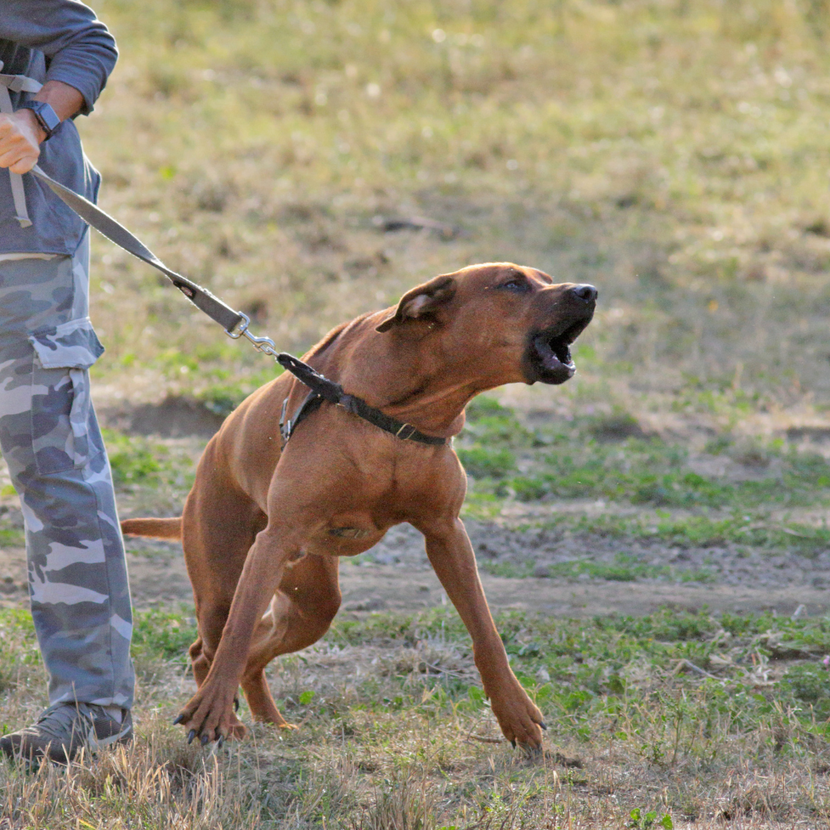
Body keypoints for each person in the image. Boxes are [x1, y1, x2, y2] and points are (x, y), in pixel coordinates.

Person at [0, 1, 134, 763]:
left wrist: (36, 121)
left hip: (19, 254)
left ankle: (91, 712)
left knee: (54, 472)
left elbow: (88, 38)